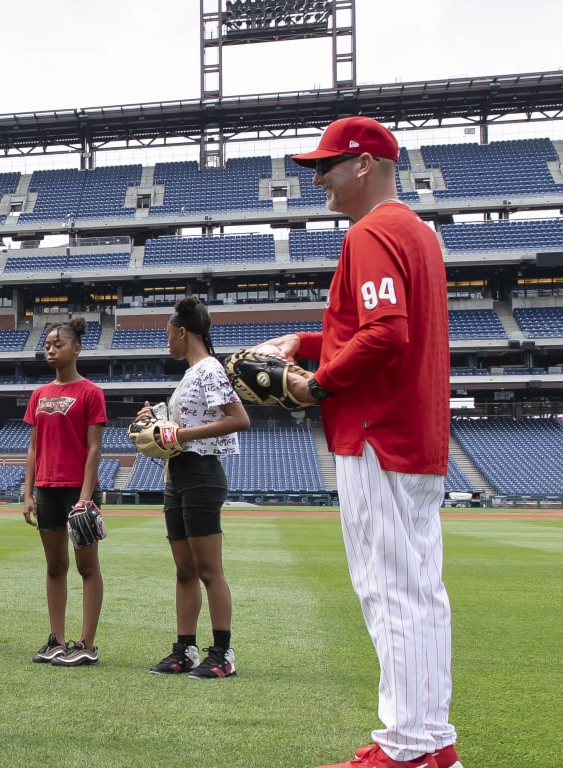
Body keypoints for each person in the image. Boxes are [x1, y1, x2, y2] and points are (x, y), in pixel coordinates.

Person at [273, 116, 460, 768]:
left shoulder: (372, 232)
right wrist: (306, 343)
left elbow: (386, 336)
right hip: (414, 433)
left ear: (363, 165)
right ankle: (430, 741)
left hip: (378, 432)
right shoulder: (417, 233)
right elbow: (383, 329)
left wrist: (315, 383)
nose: (317, 178)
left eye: (326, 165)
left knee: (391, 592)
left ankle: (407, 749)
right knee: (419, 592)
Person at [141, 296, 249, 681]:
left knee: (208, 569)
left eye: (169, 335)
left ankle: (222, 653)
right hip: (179, 475)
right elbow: (174, 430)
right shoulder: (191, 375)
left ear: (183, 332)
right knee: (184, 570)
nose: (167, 342)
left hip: (202, 474)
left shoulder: (208, 369)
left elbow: (239, 418)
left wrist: (180, 432)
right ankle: (184, 648)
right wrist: (155, 419)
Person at [22, 317, 107, 666]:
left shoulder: (90, 392)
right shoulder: (39, 394)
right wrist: (27, 493)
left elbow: (94, 449)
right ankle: (56, 639)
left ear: (77, 348)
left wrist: (85, 498)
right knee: (55, 566)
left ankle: (86, 643)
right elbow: (32, 447)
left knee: (87, 567)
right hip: (46, 488)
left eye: (58, 344)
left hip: (78, 491)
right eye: (47, 345)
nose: (51, 349)